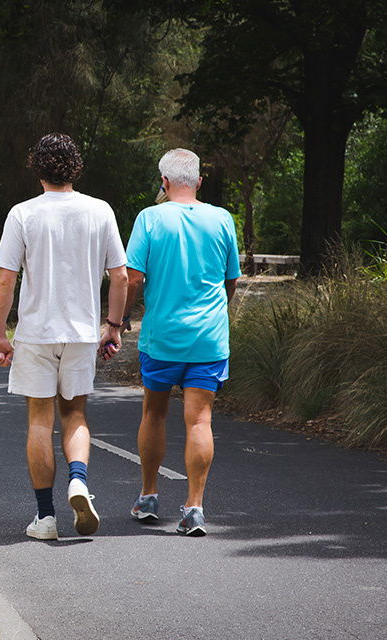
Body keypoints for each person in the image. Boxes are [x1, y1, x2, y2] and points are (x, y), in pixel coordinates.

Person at [0, 133, 129, 540]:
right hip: (82, 334)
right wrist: (113, 327)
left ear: (37, 169)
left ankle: (46, 517)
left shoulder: (23, 214)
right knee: (75, 416)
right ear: (75, 168)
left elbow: (6, 280)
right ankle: (79, 481)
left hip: (36, 334)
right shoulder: (100, 211)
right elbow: (120, 276)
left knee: (40, 420)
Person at [124, 148, 240, 537]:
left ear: (164, 181)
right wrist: (218, 313)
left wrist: (121, 318)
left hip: (162, 336)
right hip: (209, 338)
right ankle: (194, 509)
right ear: (199, 182)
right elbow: (231, 281)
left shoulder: (150, 218)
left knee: (154, 413)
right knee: (200, 420)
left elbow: (133, 278)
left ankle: (148, 496)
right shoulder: (222, 219)